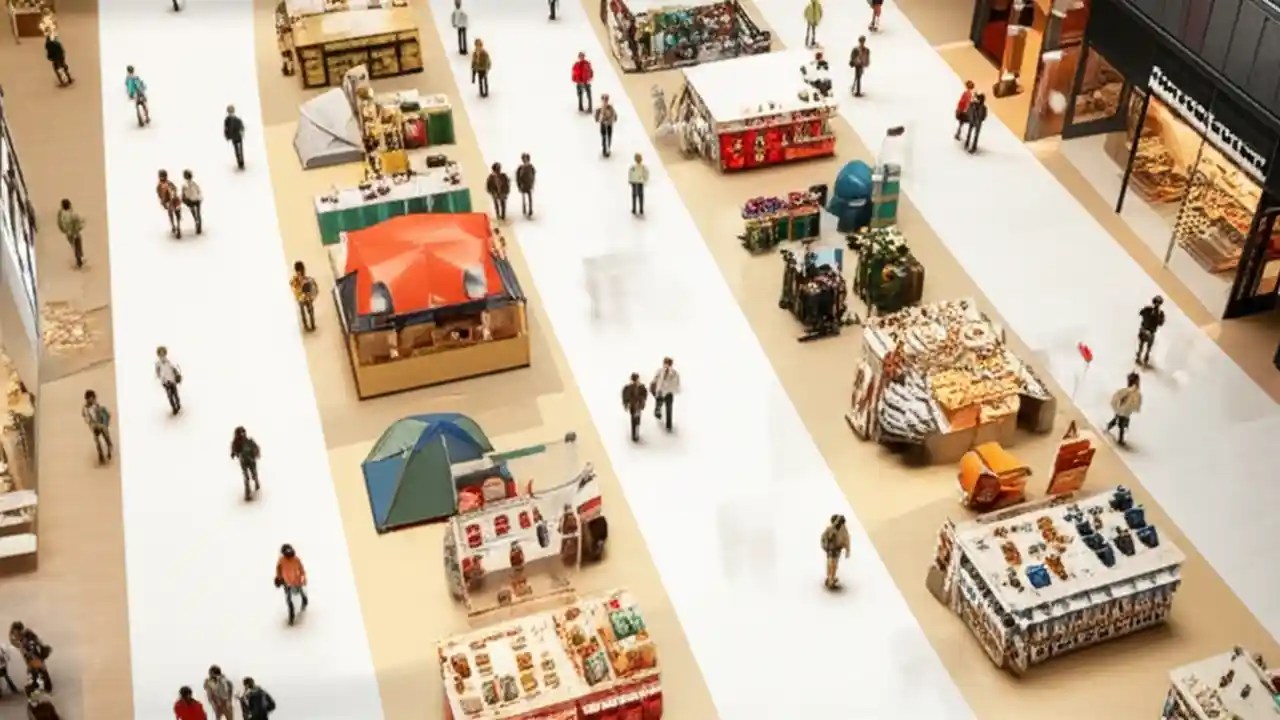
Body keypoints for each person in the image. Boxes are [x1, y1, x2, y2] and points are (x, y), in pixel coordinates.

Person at [10, 623, 51, 693]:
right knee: (35, 667)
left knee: (36, 667)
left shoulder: (29, 638)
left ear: (20, 631)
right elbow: (13, 640)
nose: (15, 635)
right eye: (14, 633)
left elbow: (34, 649)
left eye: (16, 633)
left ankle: (42, 685)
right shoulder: (16, 636)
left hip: (34, 653)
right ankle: (43, 684)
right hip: (30, 654)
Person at [275, 544, 309, 626]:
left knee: (300, 592)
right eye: (286, 552)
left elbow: (302, 570)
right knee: (289, 600)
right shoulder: (281, 561)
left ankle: (304, 601)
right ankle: (291, 616)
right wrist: (278, 578)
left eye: (289, 551)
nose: (288, 553)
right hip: (286, 583)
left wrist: (303, 579)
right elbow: (278, 570)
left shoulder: (296, 560)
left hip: (297, 582)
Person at [1105, 372, 1143, 446]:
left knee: (1117, 420)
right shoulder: (1130, 391)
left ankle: (1109, 426)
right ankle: (1120, 439)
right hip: (1123, 410)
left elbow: (1133, 401)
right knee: (1121, 424)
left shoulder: (1132, 391)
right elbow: (1123, 398)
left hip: (1124, 410)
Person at [230, 426, 261, 501]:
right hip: (243, 461)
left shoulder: (249, 441)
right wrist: (233, 453)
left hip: (251, 460)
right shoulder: (236, 443)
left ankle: (256, 481)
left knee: (254, 473)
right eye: (240, 434)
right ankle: (248, 493)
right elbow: (234, 450)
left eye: (243, 433)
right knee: (246, 477)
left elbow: (255, 447)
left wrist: (256, 452)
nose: (242, 435)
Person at [82, 390, 113, 465]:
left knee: (106, 437)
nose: (93, 399)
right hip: (94, 426)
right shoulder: (85, 408)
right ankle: (101, 456)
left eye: (93, 398)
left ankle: (109, 449)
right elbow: (87, 419)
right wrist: (94, 424)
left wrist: (102, 421)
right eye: (91, 398)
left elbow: (102, 415)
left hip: (100, 424)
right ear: (88, 398)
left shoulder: (96, 405)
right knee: (97, 441)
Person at [649, 357, 680, 431]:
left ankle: (669, 425)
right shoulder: (659, 371)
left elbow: (676, 384)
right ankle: (657, 413)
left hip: (669, 393)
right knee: (658, 405)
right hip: (660, 391)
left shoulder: (674, 373)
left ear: (671, 365)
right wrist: (653, 387)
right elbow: (655, 380)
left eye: (668, 364)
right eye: (665, 364)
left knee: (669, 409)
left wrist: (672, 389)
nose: (666, 366)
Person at [821, 514, 851, 589]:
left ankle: (832, 577)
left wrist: (847, 549)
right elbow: (824, 537)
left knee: (834, 564)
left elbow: (846, 539)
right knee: (831, 563)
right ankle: (830, 578)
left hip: (837, 549)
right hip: (831, 548)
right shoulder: (830, 529)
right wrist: (825, 545)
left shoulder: (843, 531)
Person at [56, 198, 86, 269]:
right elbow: (77, 221)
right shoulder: (72, 214)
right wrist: (80, 227)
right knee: (77, 245)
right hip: (74, 232)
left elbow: (60, 224)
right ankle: (79, 259)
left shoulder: (62, 214)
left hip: (69, 233)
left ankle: (78, 259)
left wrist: (64, 230)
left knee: (74, 245)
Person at [1136, 295, 1165, 367]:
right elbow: (1161, 323)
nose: (1157, 304)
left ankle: (1143, 357)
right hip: (1146, 330)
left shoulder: (1158, 313)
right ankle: (1141, 357)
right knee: (1143, 345)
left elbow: (1161, 323)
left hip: (1148, 331)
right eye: (1156, 302)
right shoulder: (1151, 310)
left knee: (1145, 346)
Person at [290, 261, 318, 332]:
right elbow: (292, 285)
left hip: (306, 297)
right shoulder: (295, 279)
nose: (300, 272)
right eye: (299, 271)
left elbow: (311, 286)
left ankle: (312, 325)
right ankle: (308, 326)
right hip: (301, 298)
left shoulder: (305, 278)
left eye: (301, 271)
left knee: (310, 310)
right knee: (305, 311)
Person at [155, 346, 182, 415]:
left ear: (165, 353)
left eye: (163, 353)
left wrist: (177, 375)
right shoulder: (158, 364)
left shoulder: (169, 361)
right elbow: (157, 373)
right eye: (160, 354)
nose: (162, 355)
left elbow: (174, 368)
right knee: (170, 396)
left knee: (175, 394)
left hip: (172, 380)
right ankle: (174, 408)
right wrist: (162, 379)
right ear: (158, 355)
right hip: (165, 382)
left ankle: (178, 405)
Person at [621, 372, 648, 442]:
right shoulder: (628, 387)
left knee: (637, 419)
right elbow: (625, 396)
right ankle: (635, 435)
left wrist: (642, 402)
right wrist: (626, 404)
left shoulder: (641, 387)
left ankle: (636, 433)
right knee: (634, 419)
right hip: (633, 406)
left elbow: (644, 395)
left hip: (638, 405)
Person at [157, 170, 182, 238]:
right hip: (171, 202)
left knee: (175, 214)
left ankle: (176, 227)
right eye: (161, 176)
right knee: (174, 214)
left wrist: (164, 202)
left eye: (162, 176)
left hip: (172, 202)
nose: (161, 178)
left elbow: (174, 190)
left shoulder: (164, 184)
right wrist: (163, 202)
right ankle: (175, 227)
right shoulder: (163, 184)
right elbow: (160, 195)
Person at [181, 170, 203, 235]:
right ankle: (199, 226)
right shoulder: (194, 183)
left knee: (194, 213)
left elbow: (184, 194)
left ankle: (196, 222)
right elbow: (199, 191)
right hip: (197, 200)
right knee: (198, 213)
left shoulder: (184, 185)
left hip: (191, 201)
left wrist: (184, 199)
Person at [224, 105, 246, 170]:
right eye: (229, 112)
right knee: (236, 150)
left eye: (231, 112)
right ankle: (239, 162)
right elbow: (226, 129)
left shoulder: (237, 120)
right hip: (233, 138)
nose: (230, 114)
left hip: (238, 137)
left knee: (239, 150)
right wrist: (227, 136)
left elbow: (242, 127)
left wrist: (241, 132)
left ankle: (241, 163)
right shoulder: (227, 120)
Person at [515, 153, 536, 219]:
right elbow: (517, 177)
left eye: (526, 159)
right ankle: (524, 210)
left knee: (529, 198)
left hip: (529, 185)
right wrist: (519, 185)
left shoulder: (531, 167)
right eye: (524, 159)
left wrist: (532, 184)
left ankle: (530, 210)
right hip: (523, 185)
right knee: (524, 198)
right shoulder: (520, 168)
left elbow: (533, 176)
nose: (525, 160)